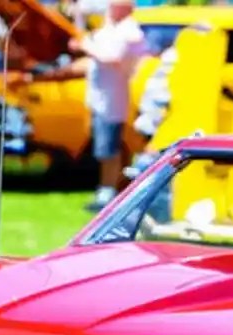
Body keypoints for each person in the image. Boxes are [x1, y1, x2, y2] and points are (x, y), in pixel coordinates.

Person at [72, 0, 147, 211]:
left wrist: (86, 46)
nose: (109, 9)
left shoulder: (130, 32)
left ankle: (108, 190)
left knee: (109, 148)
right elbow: (83, 14)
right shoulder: (112, 28)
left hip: (112, 99)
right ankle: (105, 188)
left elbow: (113, 58)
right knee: (104, 146)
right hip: (101, 98)